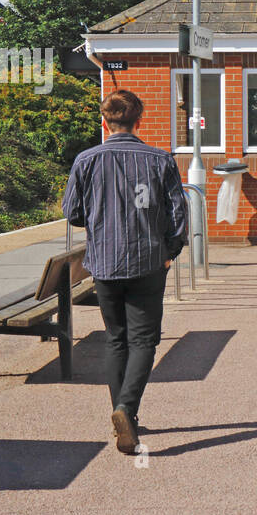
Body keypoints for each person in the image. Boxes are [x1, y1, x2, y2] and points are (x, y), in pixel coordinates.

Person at [62, 89, 186, 454]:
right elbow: (178, 215)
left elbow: (73, 212)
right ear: (139, 121)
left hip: (105, 263)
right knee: (144, 340)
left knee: (116, 339)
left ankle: (123, 415)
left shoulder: (85, 160)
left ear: (105, 121)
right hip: (148, 261)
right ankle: (126, 410)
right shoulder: (160, 160)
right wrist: (171, 251)